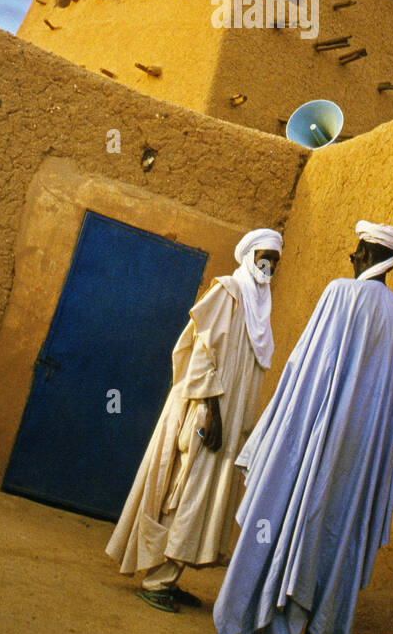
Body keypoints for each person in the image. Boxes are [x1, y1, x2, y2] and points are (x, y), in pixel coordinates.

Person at [212, 220, 393, 634]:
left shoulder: (341, 293)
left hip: (315, 435)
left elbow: (307, 369)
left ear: (371, 256)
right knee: (332, 531)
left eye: (357, 251)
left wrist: (284, 429)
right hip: (358, 455)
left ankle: (267, 626)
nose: (352, 258)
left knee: (291, 510)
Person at [105, 228, 283, 612]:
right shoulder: (228, 292)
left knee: (201, 495)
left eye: (275, 261)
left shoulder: (259, 307)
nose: (269, 266)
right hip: (207, 413)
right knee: (184, 491)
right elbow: (202, 354)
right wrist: (211, 411)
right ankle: (156, 580)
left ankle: (170, 577)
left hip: (229, 419)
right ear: (249, 256)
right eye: (264, 257)